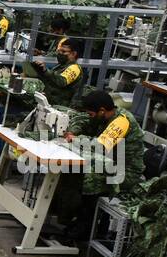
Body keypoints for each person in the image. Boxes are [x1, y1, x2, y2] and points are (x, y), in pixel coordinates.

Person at [56, 90, 145, 240]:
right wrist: (73, 130)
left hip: (127, 173)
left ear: (102, 111)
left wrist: (75, 139)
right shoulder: (103, 117)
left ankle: (87, 226)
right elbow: (82, 119)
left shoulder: (121, 121)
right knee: (72, 169)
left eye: (92, 114)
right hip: (112, 164)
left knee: (92, 175)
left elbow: (100, 146)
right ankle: (68, 216)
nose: (90, 116)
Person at [32, 36, 84, 108]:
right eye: (59, 51)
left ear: (74, 54)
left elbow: (61, 81)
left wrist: (45, 71)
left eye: (64, 51)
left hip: (60, 107)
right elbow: (50, 80)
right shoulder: (59, 66)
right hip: (48, 103)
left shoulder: (74, 68)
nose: (60, 53)